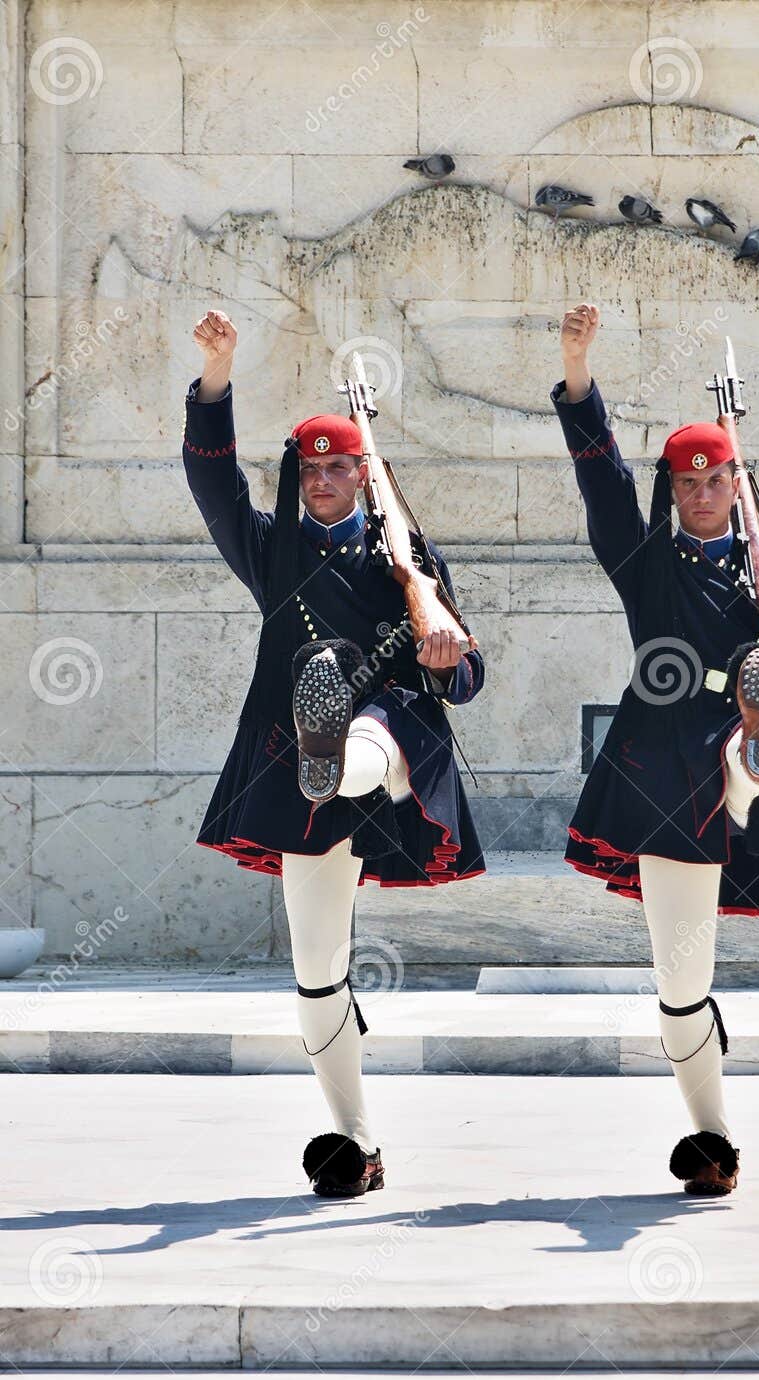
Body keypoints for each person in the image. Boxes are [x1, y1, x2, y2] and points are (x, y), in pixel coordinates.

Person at [183, 309, 486, 1199]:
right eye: (309, 469)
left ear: (365, 473)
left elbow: (467, 681)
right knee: (317, 969)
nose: (321, 480)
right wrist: (216, 378)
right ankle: (353, 1138)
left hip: (391, 749)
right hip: (297, 775)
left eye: (337, 467)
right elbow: (211, 485)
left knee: (367, 722)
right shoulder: (273, 553)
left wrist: (441, 642)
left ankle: (339, 749)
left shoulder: (410, 557)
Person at [553, 303, 759, 1198]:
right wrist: (576, 372)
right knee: (680, 981)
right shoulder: (643, 559)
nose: (702, 493)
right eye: (687, 482)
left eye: (716, 479)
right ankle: (710, 1136)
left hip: (753, 759)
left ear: (734, 486)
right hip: (663, 776)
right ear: (673, 492)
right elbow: (601, 478)